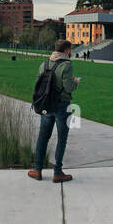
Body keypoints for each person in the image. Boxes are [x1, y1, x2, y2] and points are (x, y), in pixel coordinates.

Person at [28, 40, 80, 184]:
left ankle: (37, 170)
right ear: (67, 51)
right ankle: (57, 172)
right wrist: (75, 82)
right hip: (61, 105)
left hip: (46, 105)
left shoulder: (44, 64)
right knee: (62, 139)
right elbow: (68, 87)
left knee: (43, 137)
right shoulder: (67, 65)